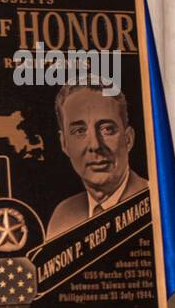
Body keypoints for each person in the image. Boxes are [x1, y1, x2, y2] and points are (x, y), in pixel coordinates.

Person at [47, 82, 148, 236]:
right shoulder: (62, 217)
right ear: (64, 143)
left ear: (128, 139)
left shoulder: (158, 202)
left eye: (107, 129)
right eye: (79, 131)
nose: (95, 145)